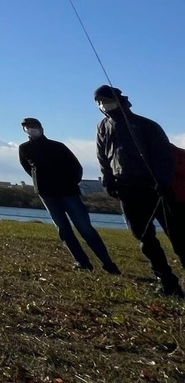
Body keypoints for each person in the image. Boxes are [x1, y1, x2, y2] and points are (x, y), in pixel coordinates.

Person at [95, 85, 185, 298]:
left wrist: (163, 182)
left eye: (106, 99)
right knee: (144, 237)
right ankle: (167, 282)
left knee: (180, 237)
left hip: (156, 189)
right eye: (99, 102)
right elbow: (102, 155)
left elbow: (165, 157)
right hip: (126, 189)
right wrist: (108, 180)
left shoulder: (146, 125)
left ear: (120, 99)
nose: (103, 105)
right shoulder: (102, 127)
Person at [18, 117, 120, 274]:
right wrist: (40, 184)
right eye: (27, 127)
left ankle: (108, 263)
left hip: (68, 192)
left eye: (33, 126)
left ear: (41, 128)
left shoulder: (58, 146)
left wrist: (71, 183)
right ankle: (82, 262)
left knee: (85, 228)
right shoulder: (24, 148)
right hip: (46, 194)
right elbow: (28, 168)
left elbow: (76, 167)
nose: (30, 129)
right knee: (64, 229)